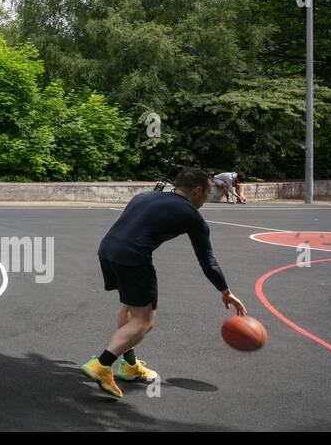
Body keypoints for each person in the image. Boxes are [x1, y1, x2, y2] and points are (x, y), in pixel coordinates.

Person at [80, 166, 247, 398]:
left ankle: (129, 366)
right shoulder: (191, 215)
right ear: (197, 190)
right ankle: (101, 365)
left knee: (130, 307)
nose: (206, 200)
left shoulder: (144, 196)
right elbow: (207, 261)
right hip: (133, 258)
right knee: (143, 321)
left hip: (107, 250)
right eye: (207, 194)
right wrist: (225, 291)